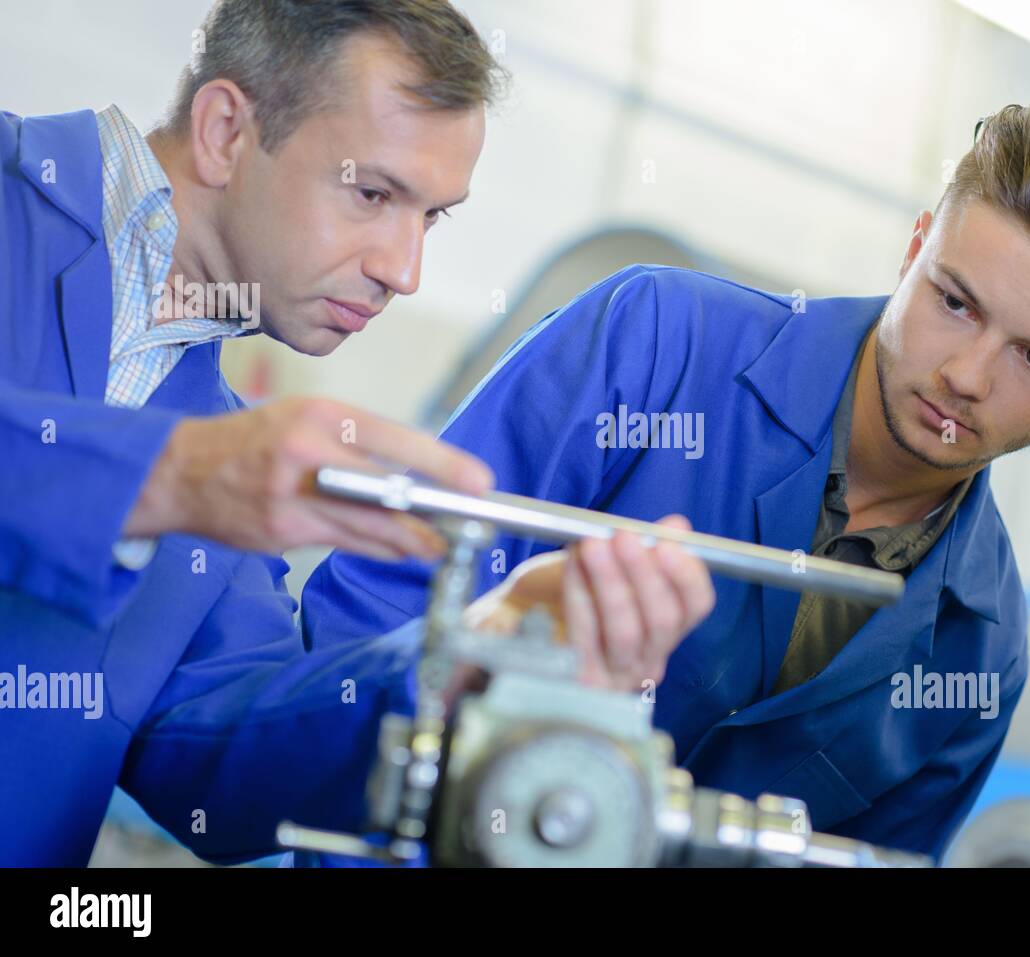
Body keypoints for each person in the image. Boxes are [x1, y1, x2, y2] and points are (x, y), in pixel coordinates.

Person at [303, 103, 1030, 860]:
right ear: (916, 248)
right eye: (955, 302)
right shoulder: (653, 343)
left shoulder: (982, 649)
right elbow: (370, 608)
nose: (967, 375)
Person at [0, 0, 714, 866]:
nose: (402, 271)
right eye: (372, 192)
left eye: (431, 216)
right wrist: (170, 479)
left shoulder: (225, 462)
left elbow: (215, 770)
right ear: (226, 131)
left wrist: (470, 657)